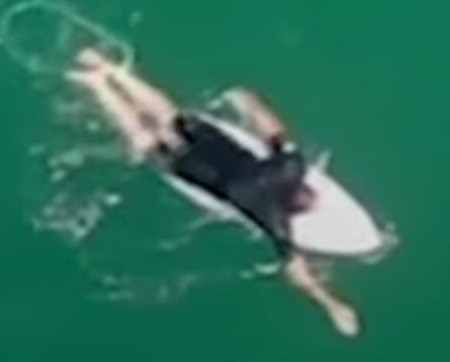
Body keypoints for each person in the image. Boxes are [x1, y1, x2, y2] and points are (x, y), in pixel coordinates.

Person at [65, 47, 361, 337]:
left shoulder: (289, 167)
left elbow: (274, 131)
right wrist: (330, 305)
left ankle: (109, 68)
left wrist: (249, 101)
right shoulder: (270, 217)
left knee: (169, 115)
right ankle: (97, 85)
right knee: (144, 139)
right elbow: (299, 274)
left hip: (211, 141)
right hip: (192, 170)